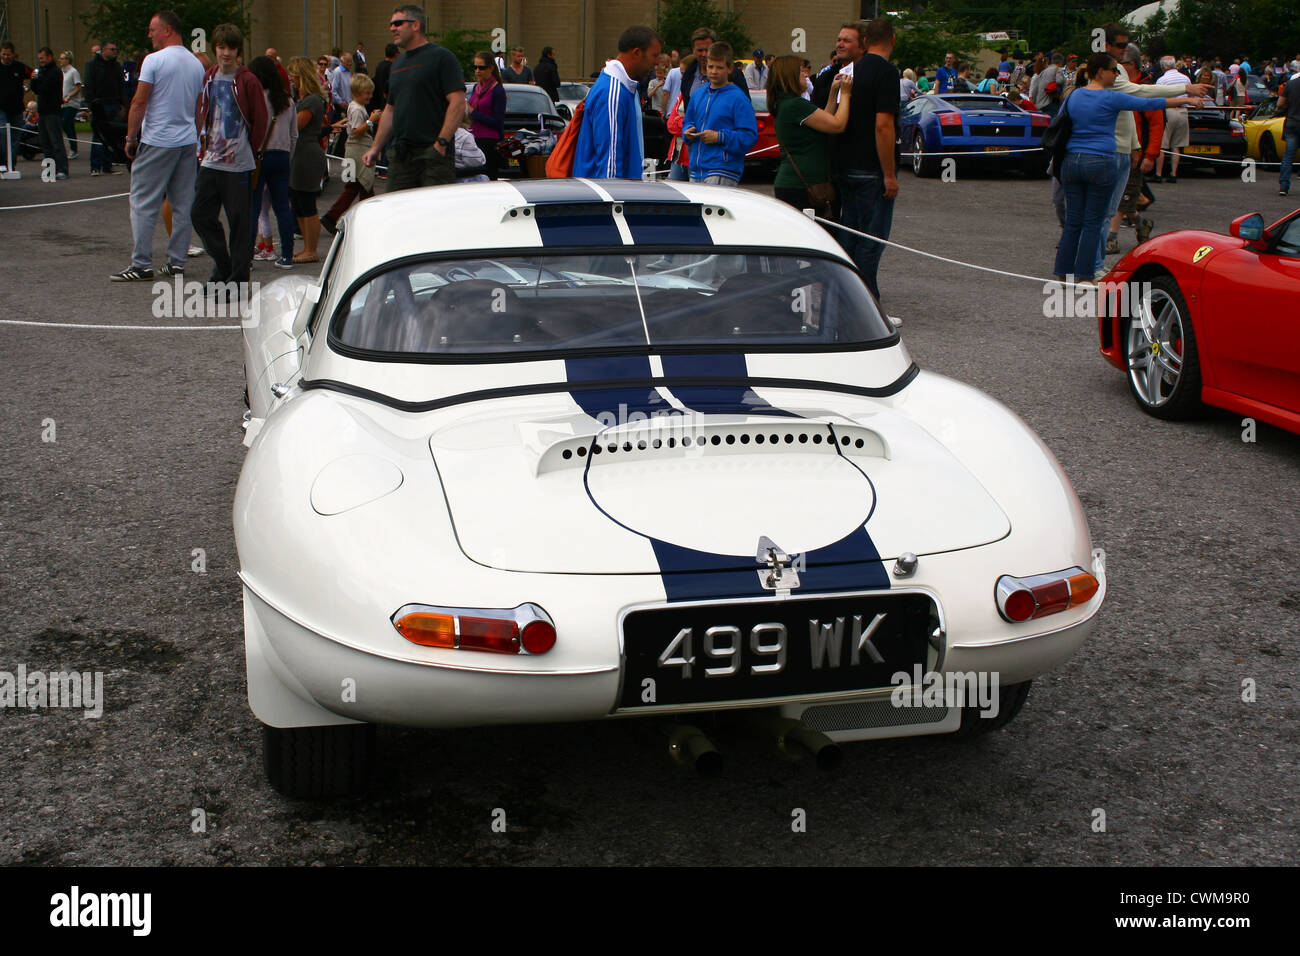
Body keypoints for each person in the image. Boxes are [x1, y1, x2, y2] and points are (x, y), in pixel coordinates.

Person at [1053, 53, 1197, 282]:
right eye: (1113, 70)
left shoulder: (1074, 95)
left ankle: (1063, 274)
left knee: (1073, 220)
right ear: (1101, 72)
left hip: (1072, 161)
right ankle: (1084, 275)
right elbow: (1148, 102)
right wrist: (1186, 98)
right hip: (1100, 160)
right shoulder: (1111, 97)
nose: (1117, 74)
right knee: (1093, 220)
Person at [111, 12, 205, 281]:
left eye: (153, 29)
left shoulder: (153, 60)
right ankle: (176, 261)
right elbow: (199, 107)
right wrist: (195, 136)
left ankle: (141, 264)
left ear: (167, 30)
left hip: (158, 139)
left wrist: (131, 136)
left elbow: (140, 101)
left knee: (143, 202)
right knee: (183, 203)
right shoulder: (196, 64)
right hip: (186, 140)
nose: (149, 34)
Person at [191, 24, 267, 287]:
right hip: (211, 159)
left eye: (230, 48)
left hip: (238, 163)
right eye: (221, 47)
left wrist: (252, 150)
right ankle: (223, 266)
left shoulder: (248, 80)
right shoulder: (209, 77)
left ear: (238, 52)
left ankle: (237, 279)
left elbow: (261, 119)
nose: (225, 53)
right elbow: (203, 112)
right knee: (200, 214)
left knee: (240, 222)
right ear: (215, 49)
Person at [830, 18, 900, 304]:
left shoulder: (849, 71)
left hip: (845, 164)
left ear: (866, 41)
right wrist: (889, 174)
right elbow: (883, 125)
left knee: (849, 235)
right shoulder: (886, 73)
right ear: (892, 40)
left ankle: (844, 295)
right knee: (871, 239)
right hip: (871, 169)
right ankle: (867, 303)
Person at [363, 5, 466, 190]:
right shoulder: (397, 64)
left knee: (435, 213)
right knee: (397, 211)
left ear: (416, 25)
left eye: (398, 23)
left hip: (433, 154)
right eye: (391, 24)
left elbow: (457, 102)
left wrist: (441, 143)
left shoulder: (442, 58)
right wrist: (375, 148)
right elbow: (390, 109)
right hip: (401, 155)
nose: (392, 28)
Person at [573, 25, 661, 179]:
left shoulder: (619, 87)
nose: (657, 62)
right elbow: (609, 163)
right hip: (609, 196)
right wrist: (613, 200)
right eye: (654, 55)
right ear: (637, 53)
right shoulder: (612, 92)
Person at [768, 54, 851, 213]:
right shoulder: (795, 105)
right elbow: (837, 125)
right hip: (802, 186)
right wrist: (846, 94)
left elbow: (824, 121)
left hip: (794, 184)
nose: (806, 75)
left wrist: (833, 92)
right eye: (801, 71)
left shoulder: (785, 103)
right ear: (790, 77)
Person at [682, 42, 756, 186]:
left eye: (719, 67)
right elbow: (688, 121)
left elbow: (749, 136)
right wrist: (688, 131)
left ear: (729, 68)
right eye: (710, 66)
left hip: (723, 169)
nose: (714, 71)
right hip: (696, 170)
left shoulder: (738, 98)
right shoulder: (697, 95)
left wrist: (719, 137)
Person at [248, 55, 296, 268]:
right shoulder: (287, 101)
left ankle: (247, 256)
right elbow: (294, 134)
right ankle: (287, 255)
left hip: (258, 156)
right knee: (282, 208)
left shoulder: (255, 98)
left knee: (254, 207)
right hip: (282, 155)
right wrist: (289, 156)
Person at [321, 73, 379, 233]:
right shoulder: (357, 109)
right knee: (363, 186)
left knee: (355, 188)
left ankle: (332, 216)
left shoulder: (355, 107)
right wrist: (371, 120)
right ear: (358, 92)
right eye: (367, 93)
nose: (370, 96)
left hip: (353, 152)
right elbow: (355, 132)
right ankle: (366, 219)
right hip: (357, 152)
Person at [287, 57, 326, 262]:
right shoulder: (303, 100)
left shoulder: (311, 101)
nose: (291, 79)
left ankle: (311, 250)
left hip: (307, 154)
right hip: (300, 154)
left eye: (293, 75)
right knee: (299, 202)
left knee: (307, 202)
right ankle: (307, 248)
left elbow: (296, 126)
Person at [678, 27, 746, 111]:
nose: (704, 54)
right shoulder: (688, 75)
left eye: (707, 50)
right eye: (700, 50)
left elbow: (744, 108)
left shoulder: (734, 75)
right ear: (693, 50)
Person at [84, 39, 125, 174]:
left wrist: (122, 104)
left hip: (114, 103)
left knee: (112, 136)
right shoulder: (92, 65)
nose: (114, 52)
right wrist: (91, 104)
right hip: (99, 104)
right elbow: (89, 85)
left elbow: (121, 86)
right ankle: (95, 166)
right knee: (98, 135)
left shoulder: (117, 66)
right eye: (112, 49)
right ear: (104, 50)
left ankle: (108, 165)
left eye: (115, 50)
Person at [28, 48, 69, 179]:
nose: (40, 61)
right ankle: (51, 169)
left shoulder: (55, 72)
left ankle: (62, 169)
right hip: (43, 111)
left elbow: (44, 88)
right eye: (39, 58)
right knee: (45, 142)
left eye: (42, 58)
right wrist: (33, 79)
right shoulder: (42, 72)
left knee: (56, 141)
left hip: (53, 111)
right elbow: (36, 89)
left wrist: (38, 79)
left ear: (49, 57)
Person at [467, 52, 505, 179]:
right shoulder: (476, 88)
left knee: (489, 178)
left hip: (489, 142)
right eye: (475, 67)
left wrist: (473, 112)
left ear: (491, 68)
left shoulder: (497, 90)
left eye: (481, 67)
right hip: (473, 139)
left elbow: (497, 122)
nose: (478, 71)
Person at [1153, 55, 1191, 182]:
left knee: (1162, 145)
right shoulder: (1186, 78)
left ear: (1163, 66)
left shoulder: (1162, 80)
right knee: (1177, 145)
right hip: (1183, 111)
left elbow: (1156, 97)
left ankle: (1158, 174)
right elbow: (1190, 95)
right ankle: (1173, 174)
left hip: (1168, 111)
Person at [58, 51, 83, 160]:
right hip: (63, 103)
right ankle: (74, 148)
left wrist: (69, 96)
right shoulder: (61, 72)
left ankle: (73, 149)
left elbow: (78, 86)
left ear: (68, 60)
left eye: (62, 58)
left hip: (72, 103)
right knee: (69, 126)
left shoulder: (73, 72)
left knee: (66, 124)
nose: (60, 60)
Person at [1279, 71, 1299, 196]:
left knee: (1288, 156)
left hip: (1292, 122)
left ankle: (1284, 186)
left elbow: (1280, 103)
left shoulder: (1290, 84)